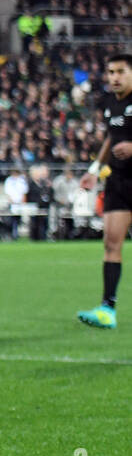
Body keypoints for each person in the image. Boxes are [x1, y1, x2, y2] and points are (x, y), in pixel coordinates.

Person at [77, 52, 132, 328]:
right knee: (111, 243)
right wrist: (94, 169)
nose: (114, 78)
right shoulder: (110, 102)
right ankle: (107, 309)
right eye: (111, 72)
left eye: (120, 72)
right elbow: (112, 137)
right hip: (119, 181)